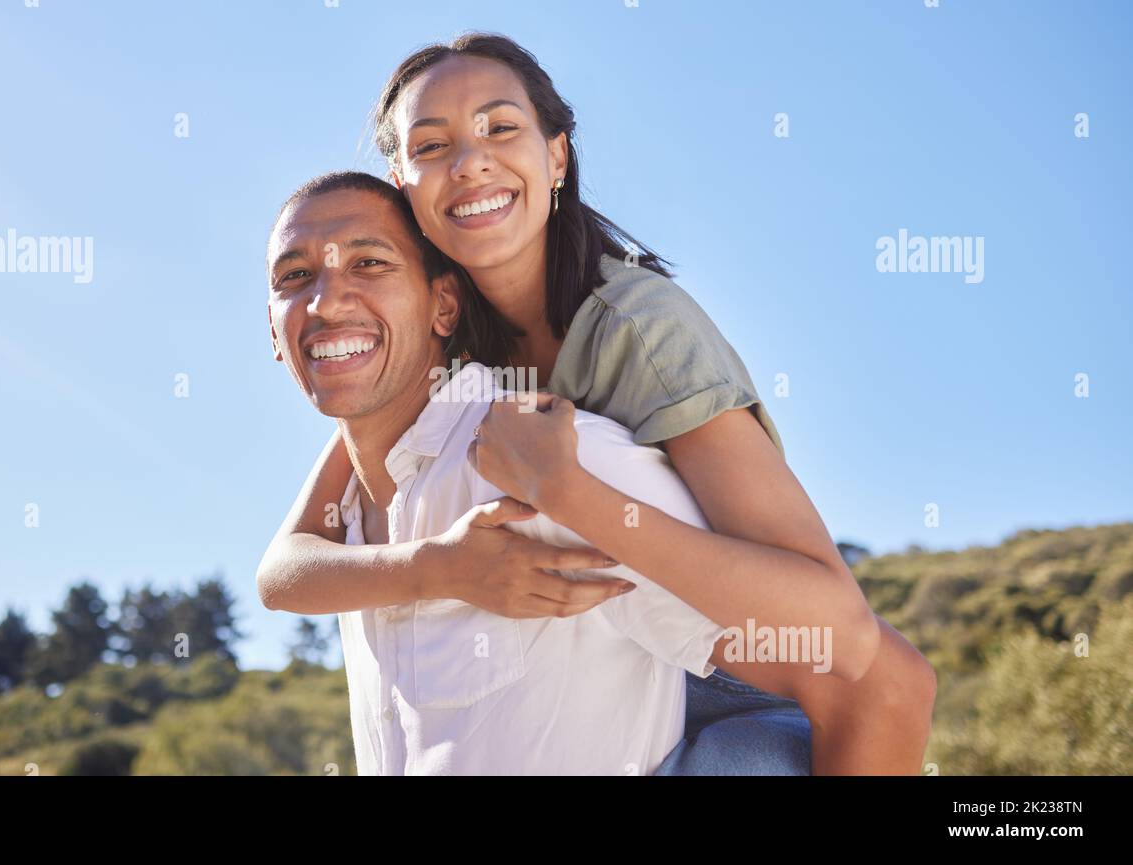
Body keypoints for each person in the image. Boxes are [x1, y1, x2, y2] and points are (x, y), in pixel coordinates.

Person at [260, 34, 936, 775]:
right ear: (403, 182)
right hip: (624, 643)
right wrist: (440, 568)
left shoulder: (638, 330)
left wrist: (567, 490)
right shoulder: (428, 350)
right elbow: (287, 566)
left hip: (730, 647)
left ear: (557, 157)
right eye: (431, 144)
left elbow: (860, 653)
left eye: (500, 127)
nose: (469, 161)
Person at [266, 171, 807, 774]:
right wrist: (435, 568)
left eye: (368, 263)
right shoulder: (352, 510)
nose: (324, 301)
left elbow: (830, 668)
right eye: (295, 276)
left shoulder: (562, 466)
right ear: (274, 332)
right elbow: (277, 577)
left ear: (443, 304)